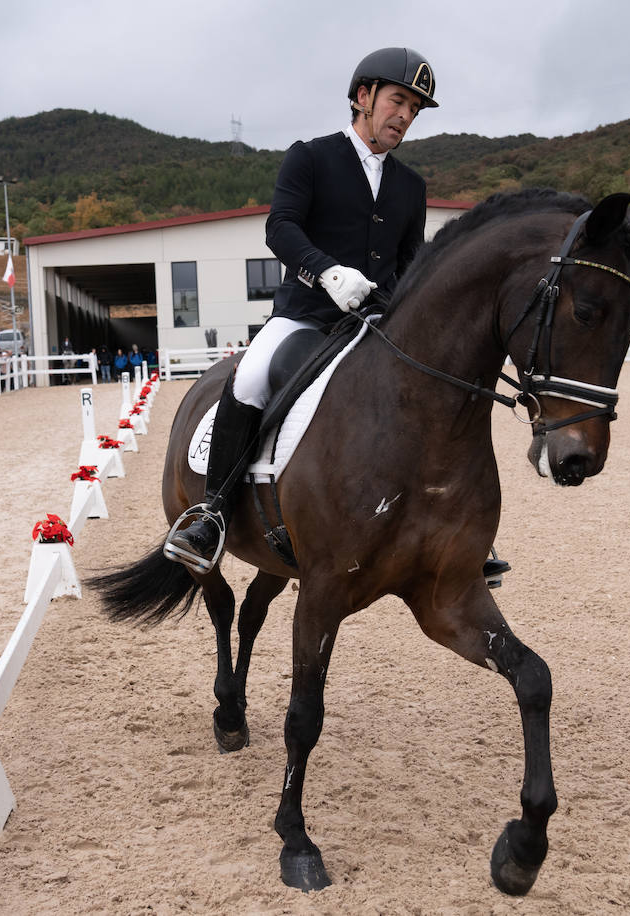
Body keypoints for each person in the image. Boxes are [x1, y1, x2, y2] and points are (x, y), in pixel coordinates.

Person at [164, 47, 436, 573]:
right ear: (364, 97)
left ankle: (442, 518)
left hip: (377, 322)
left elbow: (410, 261)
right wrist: (328, 271)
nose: (405, 116)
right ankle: (212, 512)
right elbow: (280, 228)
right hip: (306, 314)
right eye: (398, 100)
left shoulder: (411, 186)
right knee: (250, 378)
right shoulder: (310, 157)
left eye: (415, 109)